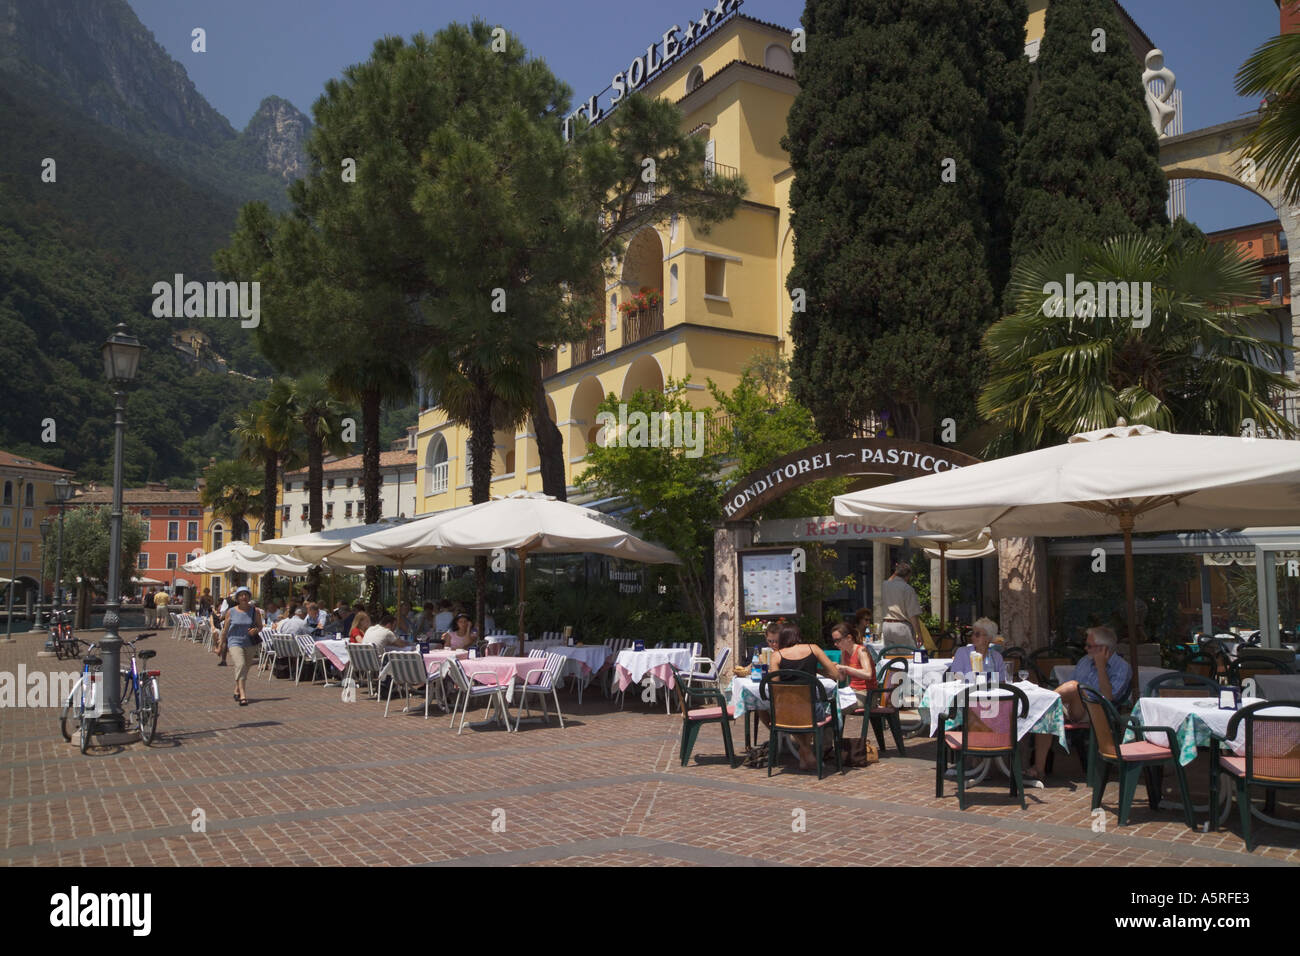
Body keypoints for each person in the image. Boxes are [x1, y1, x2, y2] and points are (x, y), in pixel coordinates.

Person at [1029, 625, 1132, 781]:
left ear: (1104, 648)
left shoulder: (1122, 668)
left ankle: (1038, 704)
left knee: (1072, 687)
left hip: (1099, 712)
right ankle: (1039, 769)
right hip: (1075, 708)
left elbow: (1108, 698)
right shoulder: (1084, 661)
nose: (1085, 649)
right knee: (1047, 712)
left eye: (1089, 646)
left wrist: (1101, 667)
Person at [767, 623, 842, 772]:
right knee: (811, 710)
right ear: (798, 636)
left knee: (794, 712)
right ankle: (807, 751)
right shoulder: (813, 648)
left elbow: (774, 685)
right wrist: (816, 670)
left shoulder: (777, 656)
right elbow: (836, 674)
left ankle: (804, 753)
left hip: (785, 714)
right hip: (812, 711)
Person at [219, 587, 262, 706]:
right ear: (237, 598)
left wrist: (256, 630)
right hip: (234, 642)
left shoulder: (255, 611)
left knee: (245, 668)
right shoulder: (231, 611)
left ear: (249, 597)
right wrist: (220, 645)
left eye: (246, 595)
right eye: (241, 595)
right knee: (240, 664)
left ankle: (237, 689)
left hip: (249, 643)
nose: (244, 597)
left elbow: (260, 626)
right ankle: (243, 695)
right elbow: (225, 630)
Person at [831, 621, 875, 712]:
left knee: (836, 707)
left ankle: (835, 726)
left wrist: (845, 668)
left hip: (867, 693)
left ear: (849, 638)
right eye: (834, 641)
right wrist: (833, 669)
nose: (835, 644)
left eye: (838, 640)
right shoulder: (844, 652)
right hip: (852, 691)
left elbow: (868, 674)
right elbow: (842, 678)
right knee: (829, 702)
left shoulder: (861, 651)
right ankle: (835, 726)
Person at [881, 562, 922, 649]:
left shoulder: (885, 585)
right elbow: (913, 615)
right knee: (907, 656)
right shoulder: (907, 589)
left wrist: (896, 571)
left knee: (890, 657)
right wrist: (919, 634)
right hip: (901, 626)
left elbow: (890, 579)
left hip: (886, 626)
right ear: (908, 575)